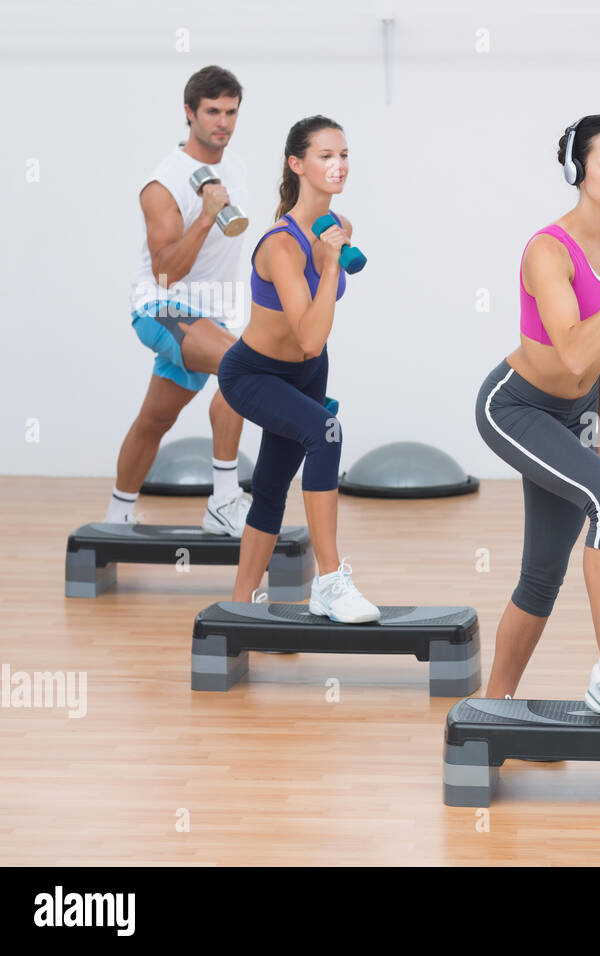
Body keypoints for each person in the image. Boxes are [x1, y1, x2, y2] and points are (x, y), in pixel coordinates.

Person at [473, 115, 600, 724]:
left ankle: (492, 712)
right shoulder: (548, 249)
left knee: (541, 575)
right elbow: (573, 350)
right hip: (515, 406)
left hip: (573, 414)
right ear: (578, 171)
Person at [218, 115, 378, 623]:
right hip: (254, 374)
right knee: (325, 435)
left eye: (344, 155)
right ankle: (329, 581)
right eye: (326, 156)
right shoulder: (281, 245)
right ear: (297, 164)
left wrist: (332, 256)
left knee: (269, 488)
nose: (339, 165)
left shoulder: (337, 229)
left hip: (308, 372)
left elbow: (313, 344)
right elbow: (309, 331)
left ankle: (238, 608)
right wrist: (329, 265)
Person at [110, 65, 251, 534]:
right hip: (162, 310)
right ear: (189, 113)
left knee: (155, 419)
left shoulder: (231, 165)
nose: (223, 122)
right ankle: (224, 502)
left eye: (231, 112)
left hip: (206, 316)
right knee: (244, 367)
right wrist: (207, 216)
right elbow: (166, 273)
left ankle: (116, 515)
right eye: (212, 111)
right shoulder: (164, 183)